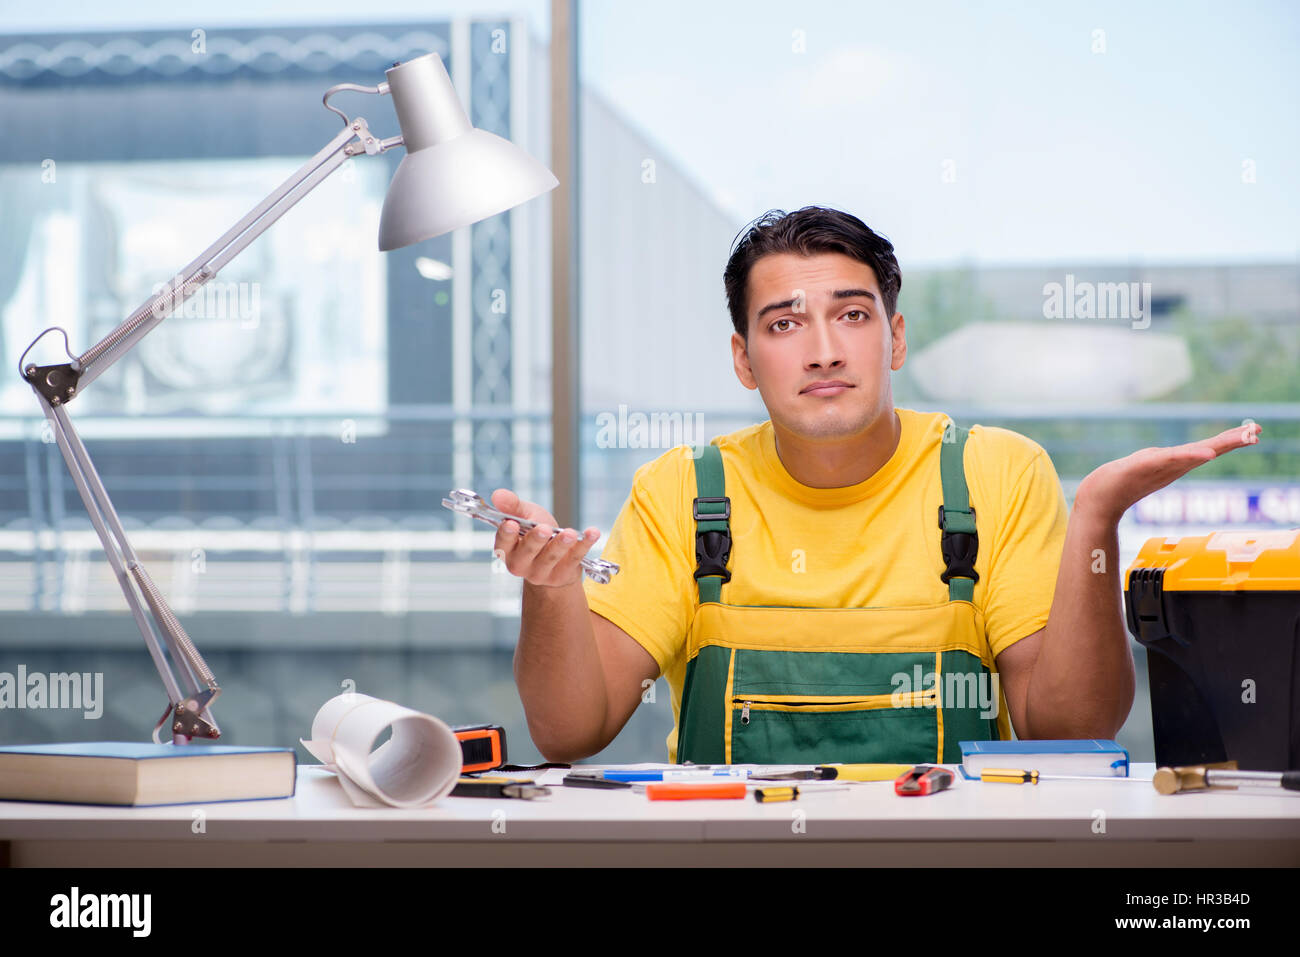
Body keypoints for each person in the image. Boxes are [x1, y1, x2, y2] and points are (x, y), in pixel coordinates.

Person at [497, 206, 1261, 764]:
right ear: (742, 358)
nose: (824, 351)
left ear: (894, 338)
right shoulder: (684, 490)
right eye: (785, 325)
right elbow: (571, 732)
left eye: (852, 314)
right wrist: (552, 589)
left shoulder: (994, 472)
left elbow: (1068, 729)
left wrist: (1097, 518)